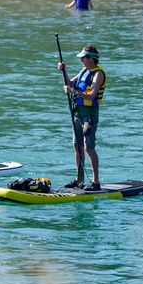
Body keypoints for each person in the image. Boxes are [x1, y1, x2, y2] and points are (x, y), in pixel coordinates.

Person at [56, 45, 106, 190]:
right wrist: (63, 71)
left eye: (84, 58)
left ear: (91, 58)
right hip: (77, 114)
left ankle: (96, 182)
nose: (81, 60)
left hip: (89, 115)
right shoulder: (85, 70)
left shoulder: (98, 74)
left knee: (89, 148)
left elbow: (92, 95)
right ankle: (79, 180)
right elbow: (70, 83)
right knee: (78, 147)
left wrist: (73, 90)